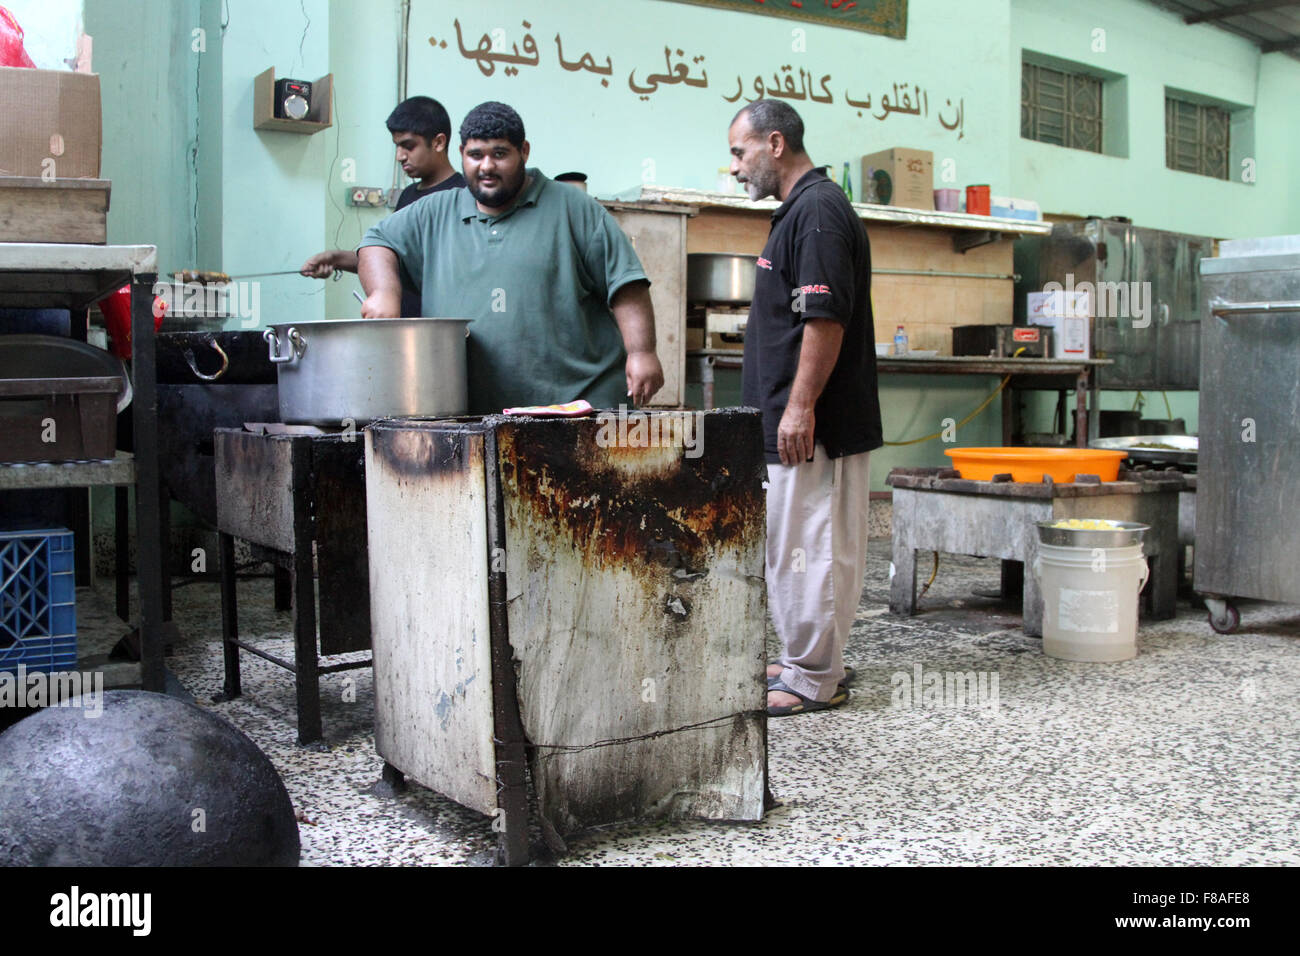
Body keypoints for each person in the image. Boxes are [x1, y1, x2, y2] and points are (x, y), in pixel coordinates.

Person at [727, 99, 883, 717]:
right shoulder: (798, 212)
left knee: (813, 545)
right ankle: (803, 659)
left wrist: (799, 409)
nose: (735, 169)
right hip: (792, 422)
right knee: (793, 542)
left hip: (815, 426)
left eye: (738, 154)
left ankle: (814, 677)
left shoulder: (817, 212)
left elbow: (825, 319)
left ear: (773, 144)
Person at [356, 101, 663, 413]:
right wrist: (383, 292)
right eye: (476, 155)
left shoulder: (574, 207)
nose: (486, 166)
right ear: (461, 153)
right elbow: (376, 242)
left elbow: (626, 284)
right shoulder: (435, 212)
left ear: (524, 152)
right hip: (474, 417)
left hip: (578, 408)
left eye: (499, 154)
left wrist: (642, 352)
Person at [300, 96, 466, 316]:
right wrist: (336, 259)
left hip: (446, 329)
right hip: (405, 330)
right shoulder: (407, 196)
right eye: (397, 146)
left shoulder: (464, 196)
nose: (399, 156)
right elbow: (390, 258)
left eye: (408, 146)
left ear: (438, 142)